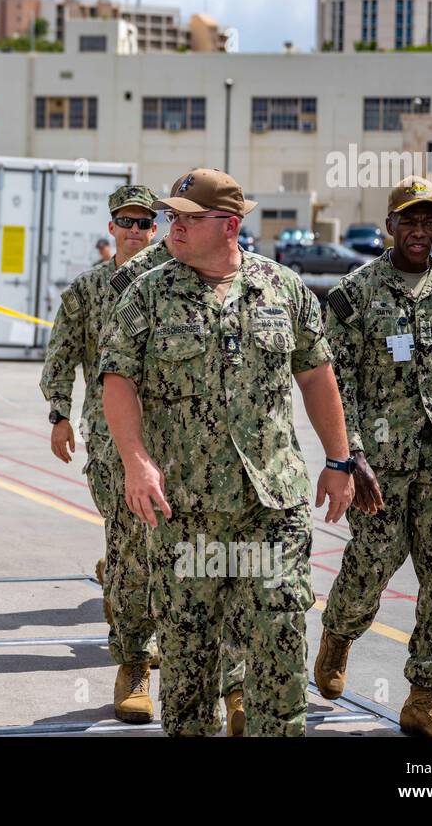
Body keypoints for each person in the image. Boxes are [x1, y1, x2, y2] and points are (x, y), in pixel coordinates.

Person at [99, 167, 355, 737]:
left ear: (230, 225)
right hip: (185, 510)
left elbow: (316, 374)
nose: (175, 227)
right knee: (189, 663)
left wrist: (339, 460)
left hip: (272, 505)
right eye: (173, 217)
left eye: (189, 218)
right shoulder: (147, 292)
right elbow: (116, 378)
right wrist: (136, 462)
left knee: (280, 647)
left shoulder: (283, 289)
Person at [316, 177, 432, 737]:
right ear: (389, 226)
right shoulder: (355, 293)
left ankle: (422, 696)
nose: (420, 231)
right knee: (369, 571)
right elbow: (335, 381)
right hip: (381, 468)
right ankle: (338, 637)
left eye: (430, 221)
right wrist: (352, 457)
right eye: (408, 221)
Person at [41, 184, 162, 724]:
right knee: (131, 539)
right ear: (110, 227)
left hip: (180, 441)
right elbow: (61, 352)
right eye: (126, 222)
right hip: (113, 440)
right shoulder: (89, 289)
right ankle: (132, 659)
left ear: (155, 228)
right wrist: (59, 414)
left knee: (178, 549)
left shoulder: (176, 283)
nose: (134, 231)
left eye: (144, 222)